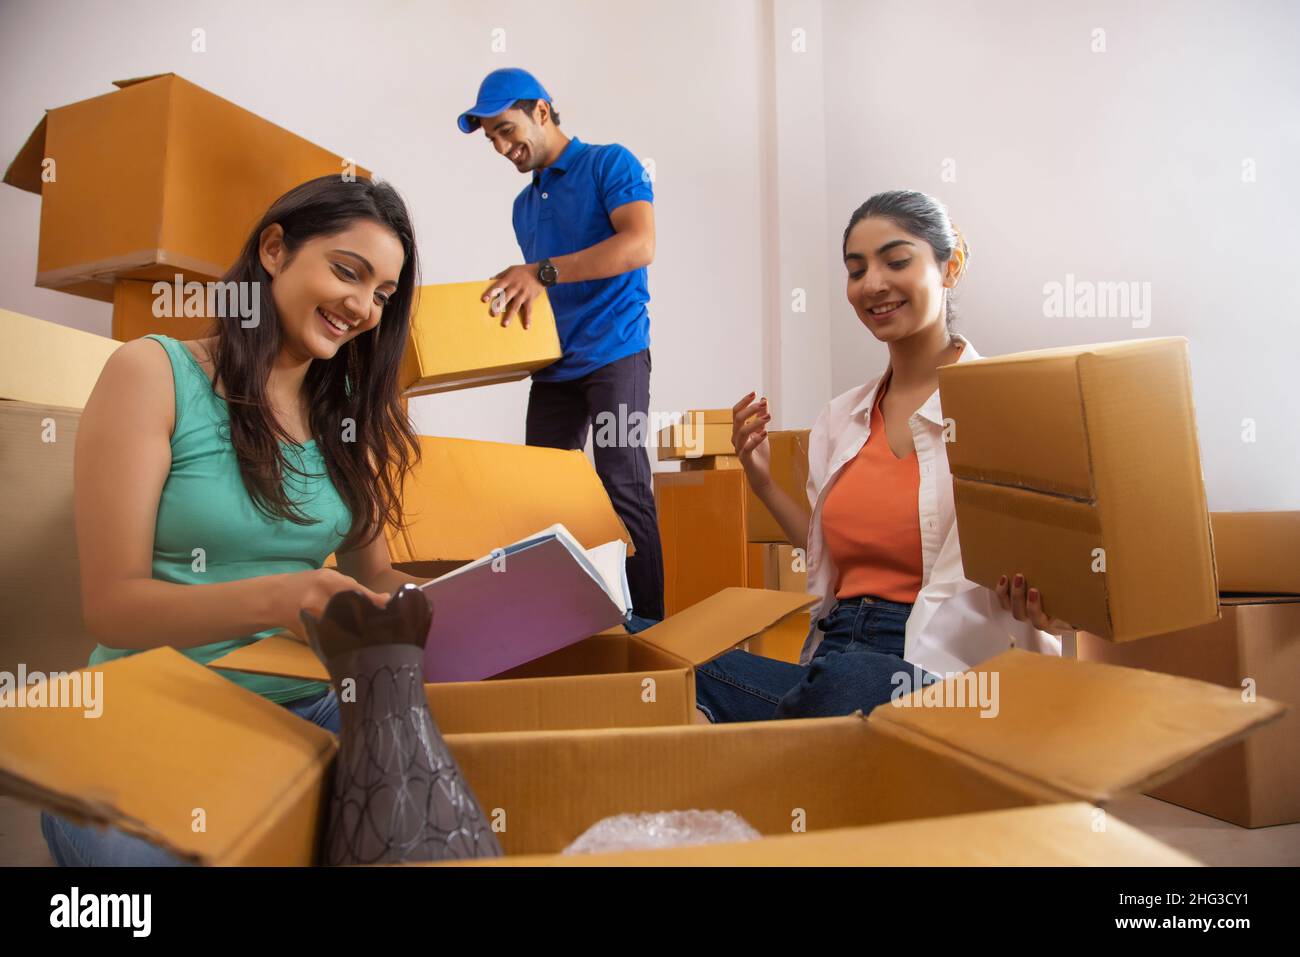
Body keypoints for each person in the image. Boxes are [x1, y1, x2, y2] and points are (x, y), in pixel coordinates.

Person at [41, 174, 428, 865]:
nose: (363, 306)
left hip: (304, 708)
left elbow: (378, 575)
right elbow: (112, 608)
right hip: (143, 718)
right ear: (275, 250)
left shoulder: (345, 419)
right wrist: (291, 595)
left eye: (382, 295)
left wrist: (491, 590)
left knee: (441, 808)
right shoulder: (154, 373)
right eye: (348, 272)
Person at [695, 190, 1073, 724]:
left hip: (939, 678)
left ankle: (773, 744)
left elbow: (1070, 580)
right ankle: (803, 744)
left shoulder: (1007, 408)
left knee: (856, 681)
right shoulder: (840, 418)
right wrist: (763, 485)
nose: (872, 284)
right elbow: (827, 552)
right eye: (856, 270)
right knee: (657, 651)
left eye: (896, 261)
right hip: (832, 657)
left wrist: (1051, 614)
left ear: (950, 267)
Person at [457, 67, 665, 628]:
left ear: (542, 110)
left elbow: (639, 244)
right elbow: (540, 293)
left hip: (616, 350)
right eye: (492, 139)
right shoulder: (524, 208)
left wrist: (540, 271)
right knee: (540, 496)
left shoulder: (610, 163)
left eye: (506, 129)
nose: (502, 147)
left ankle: (651, 630)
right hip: (554, 367)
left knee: (621, 481)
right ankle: (562, 627)